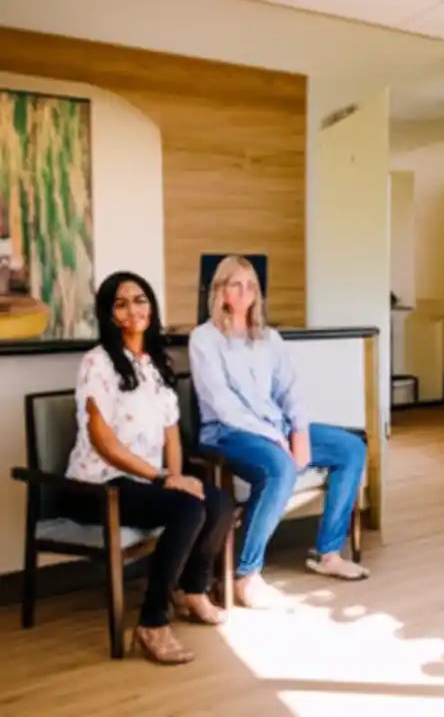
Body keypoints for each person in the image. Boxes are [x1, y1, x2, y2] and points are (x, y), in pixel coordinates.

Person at [65, 271, 234, 664]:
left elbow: (171, 434)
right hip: (98, 486)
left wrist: (176, 477)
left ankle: (193, 590)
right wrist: (163, 478)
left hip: (143, 481)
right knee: (188, 508)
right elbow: (103, 442)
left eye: (140, 300)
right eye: (121, 304)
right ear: (109, 314)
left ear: (152, 307)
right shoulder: (97, 362)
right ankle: (152, 622)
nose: (133, 310)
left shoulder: (155, 364)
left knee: (219, 502)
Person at [190, 255, 370, 610]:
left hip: (275, 428)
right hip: (227, 432)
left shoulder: (269, 338)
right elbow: (223, 406)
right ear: (220, 291)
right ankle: (245, 575)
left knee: (351, 448)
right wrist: (276, 438)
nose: (245, 292)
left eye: (251, 285)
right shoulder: (204, 339)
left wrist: (298, 431)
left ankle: (328, 554)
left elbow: (291, 390)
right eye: (236, 284)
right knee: (280, 467)